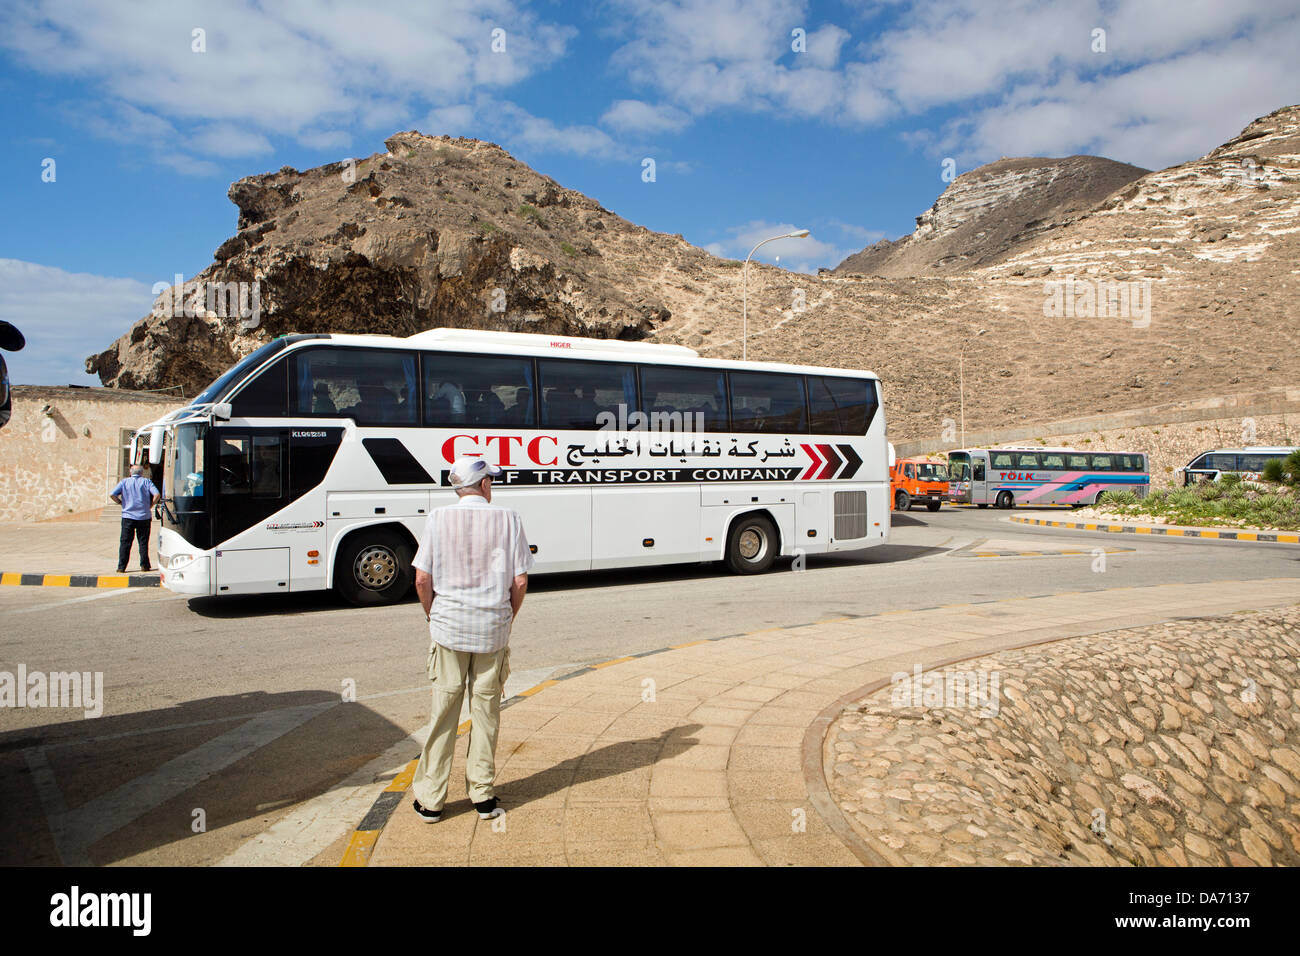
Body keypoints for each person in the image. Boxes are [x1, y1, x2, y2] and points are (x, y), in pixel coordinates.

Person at [410, 456, 534, 822]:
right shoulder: (508, 519)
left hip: (448, 629)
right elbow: (520, 581)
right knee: (486, 713)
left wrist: (433, 614)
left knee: (443, 713)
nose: (491, 487)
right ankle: (482, 796)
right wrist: (506, 617)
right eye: (490, 482)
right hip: (491, 632)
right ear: (483, 486)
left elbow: (421, 579)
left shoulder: (437, 518)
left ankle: (431, 800)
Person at [110, 463, 161, 573]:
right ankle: (144, 565)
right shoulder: (146, 482)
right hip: (144, 516)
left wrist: (120, 502)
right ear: (142, 473)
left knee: (125, 542)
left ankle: (121, 567)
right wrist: (151, 505)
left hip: (128, 516)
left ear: (130, 472)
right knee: (143, 542)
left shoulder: (124, 482)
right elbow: (157, 494)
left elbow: (112, 494)